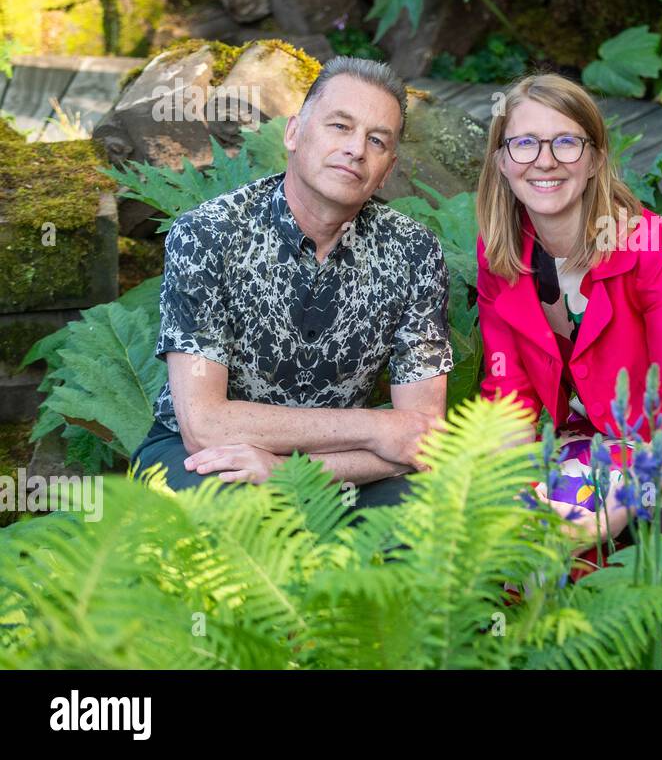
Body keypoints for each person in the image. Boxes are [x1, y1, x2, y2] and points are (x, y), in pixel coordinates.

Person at [130, 57, 453, 509]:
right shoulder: (209, 234)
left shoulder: (415, 253)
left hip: (344, 466)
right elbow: (204, 425)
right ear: (294, 132)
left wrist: (294, 474)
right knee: (236, 511)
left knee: (434, 514)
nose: (356, 149)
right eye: (340, 126)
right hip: (199, 456)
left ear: (387, 167)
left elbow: (421, 436)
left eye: (376, 140)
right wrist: (377, 428)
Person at [475, 73, 662, 547]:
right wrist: (496, 483)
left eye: (567, 142)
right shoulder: (501, 252)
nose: (545, 160)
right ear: (502, 161)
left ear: (594, 159)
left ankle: (631, 610)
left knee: (574, 520)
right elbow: (511, 399)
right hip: (587, 438)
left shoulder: (651, 247)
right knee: (493, 510)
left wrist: (612, 512)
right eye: (525, 143)